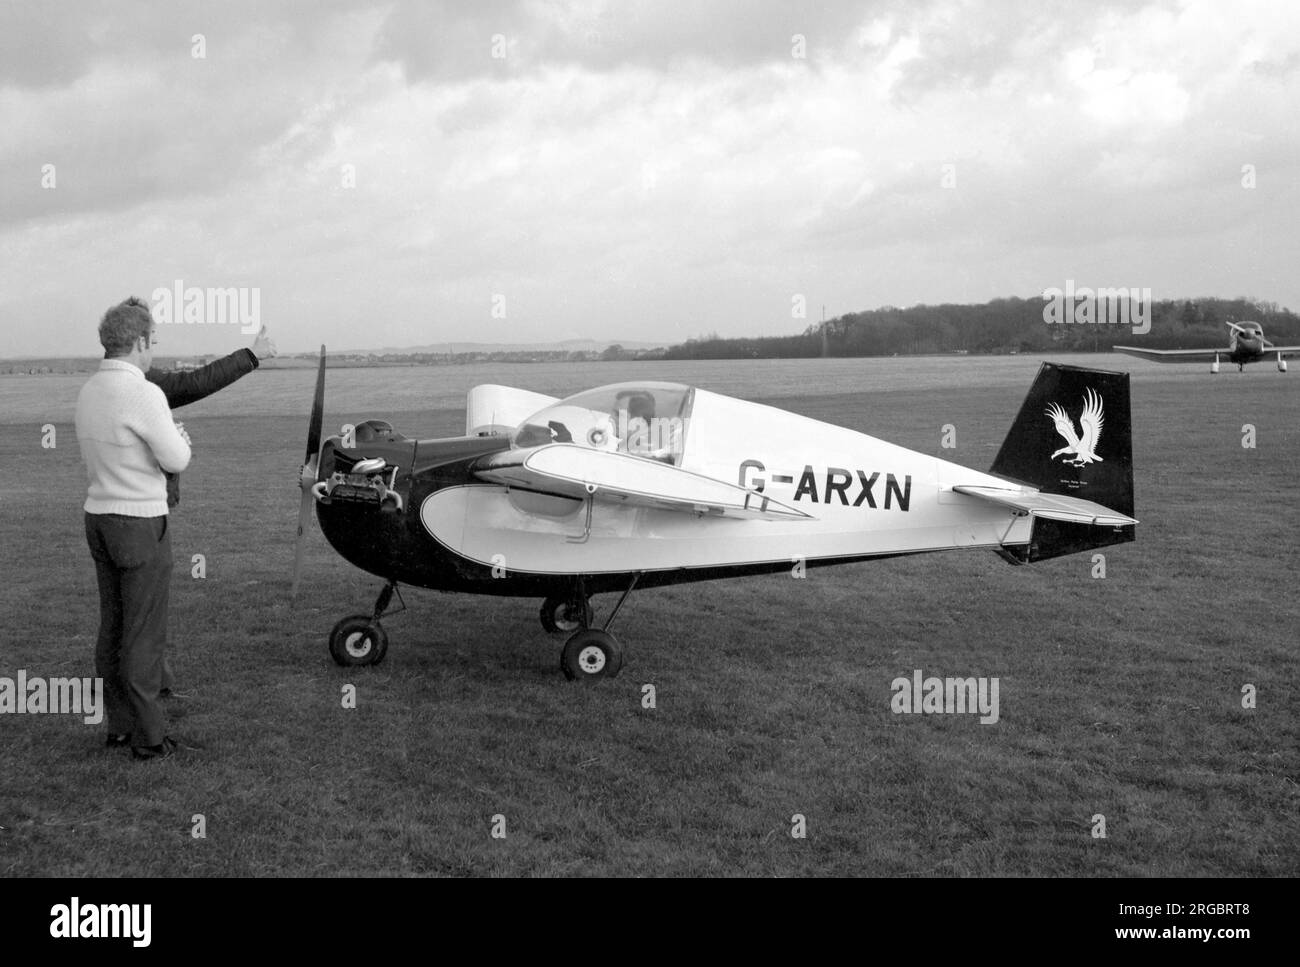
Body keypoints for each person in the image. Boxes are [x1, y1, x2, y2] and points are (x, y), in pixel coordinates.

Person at [76, 298, 191, 760]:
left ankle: (119, 726)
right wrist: (180, 438)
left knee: (114, 625)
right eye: (153, 342)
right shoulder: (143, 392)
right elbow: (176, 459)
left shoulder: (89, 390)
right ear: (139, 341)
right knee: (144, 632)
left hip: (98, 518)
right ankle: (149, 739)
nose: (154, 352)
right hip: (139, 523)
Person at [145, 324, 278, 697]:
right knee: (144, 606)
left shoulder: (101, 388)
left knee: (126, 610)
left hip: (112, 511)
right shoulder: (138, 384)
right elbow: (192, 385)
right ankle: (145, 699)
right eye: (150, 337)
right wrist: (251, 356)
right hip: (140, 512)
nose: (155, 344)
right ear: (137, 340)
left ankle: (140, 685)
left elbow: (189, 383)